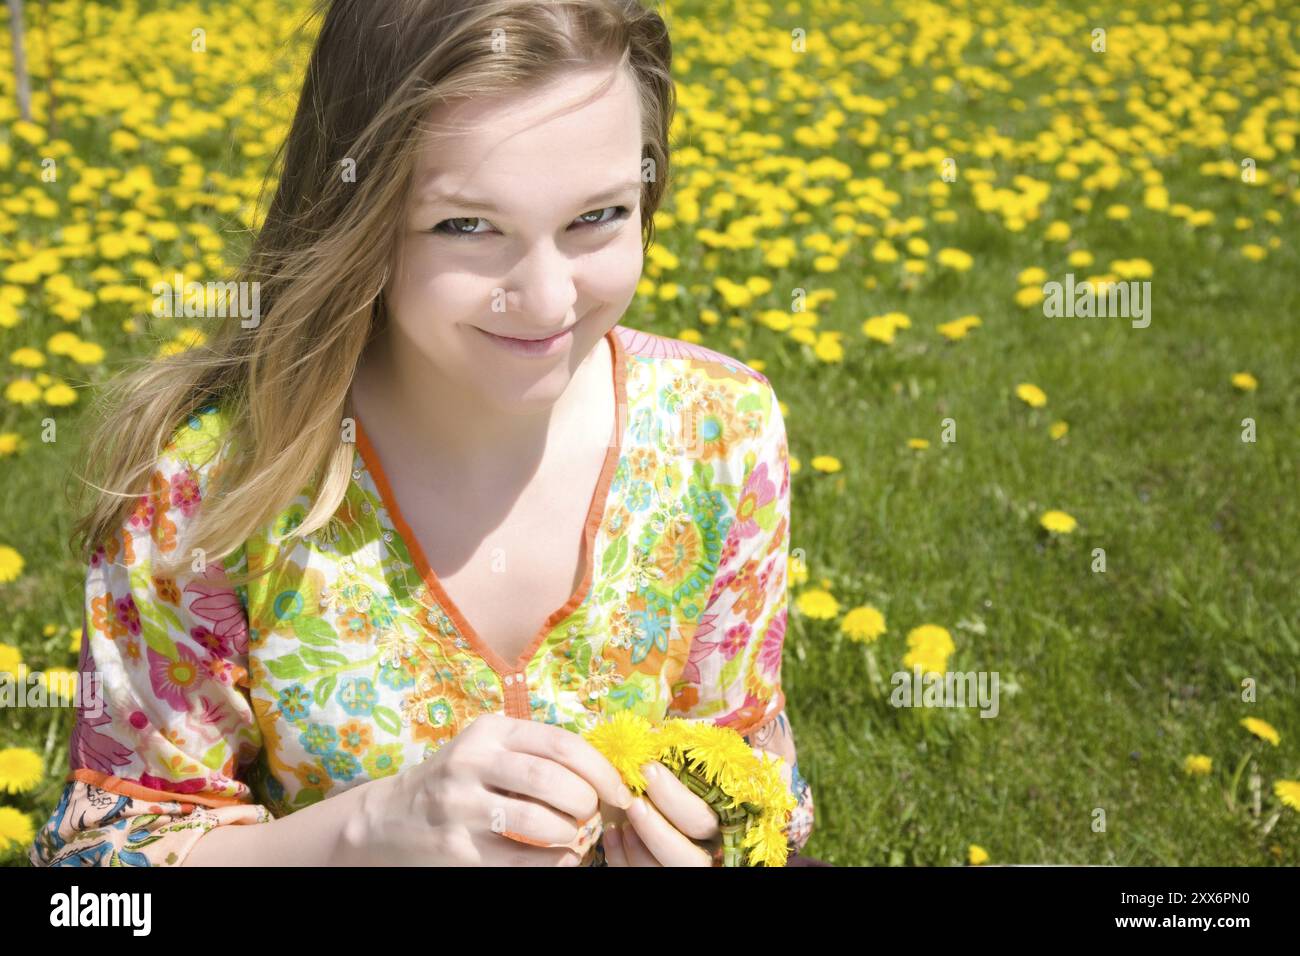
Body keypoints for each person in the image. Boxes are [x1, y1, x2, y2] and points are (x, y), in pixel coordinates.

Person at [30, 0, 815, 867]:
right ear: (358, 220)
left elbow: (754, 771)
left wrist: (723, 836)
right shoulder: (208, 487)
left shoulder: (723, 431)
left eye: (598, 216)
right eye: (467, 226)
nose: (547, 300)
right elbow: (99, 878)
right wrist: (361, 834)